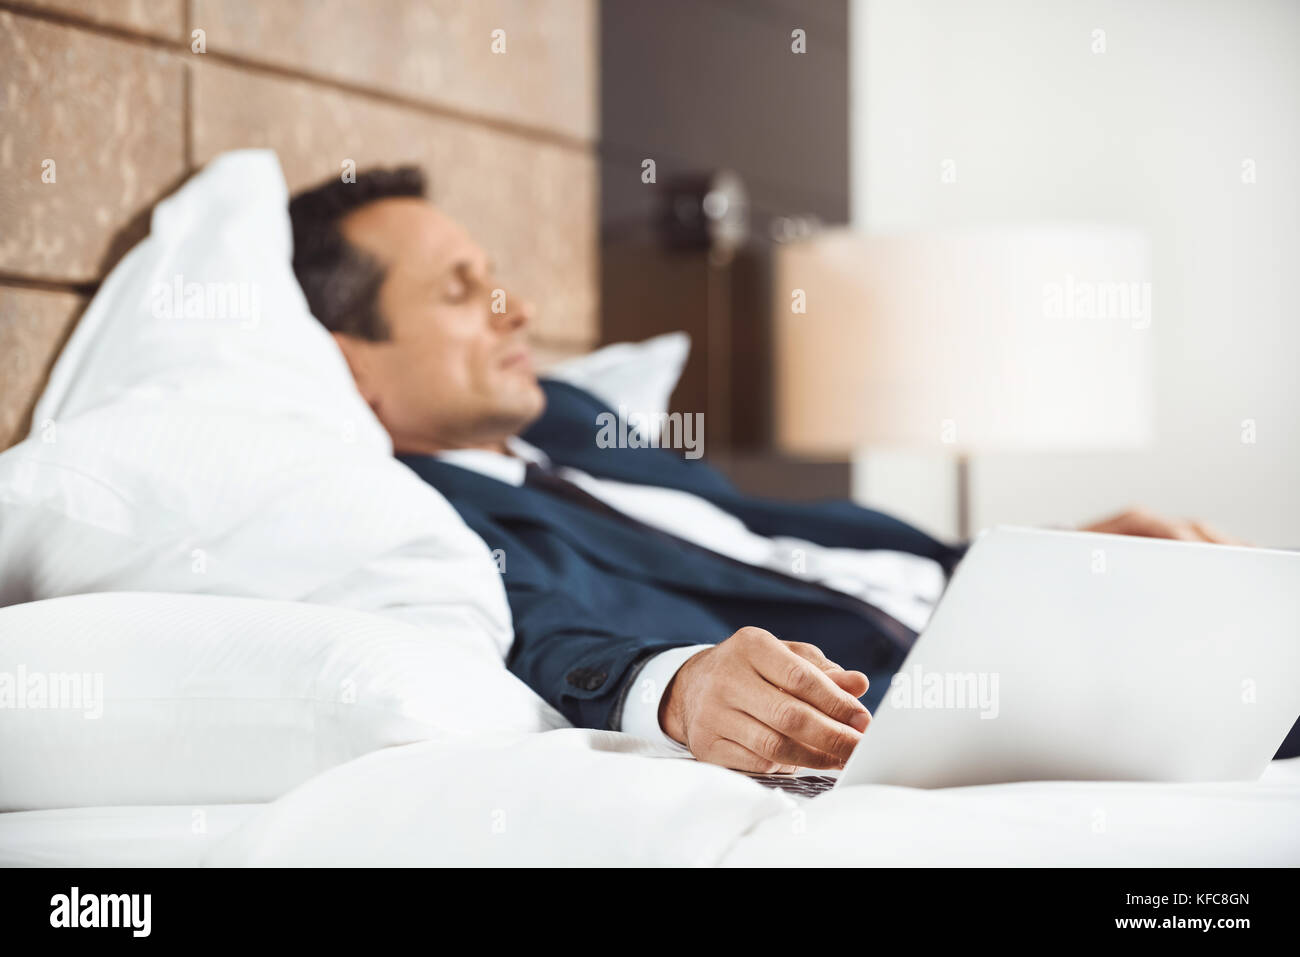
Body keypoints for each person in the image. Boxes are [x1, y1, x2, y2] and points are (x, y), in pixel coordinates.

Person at [287, 167, 1263, 773]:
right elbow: (543, 635)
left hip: (986, 612)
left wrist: (1027, 560)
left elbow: (772, 544)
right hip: (910, 685)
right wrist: (682, 688)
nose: (517, 312)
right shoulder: (410, 512)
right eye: (461, 294)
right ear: (347, 359)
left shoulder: (573, 420)